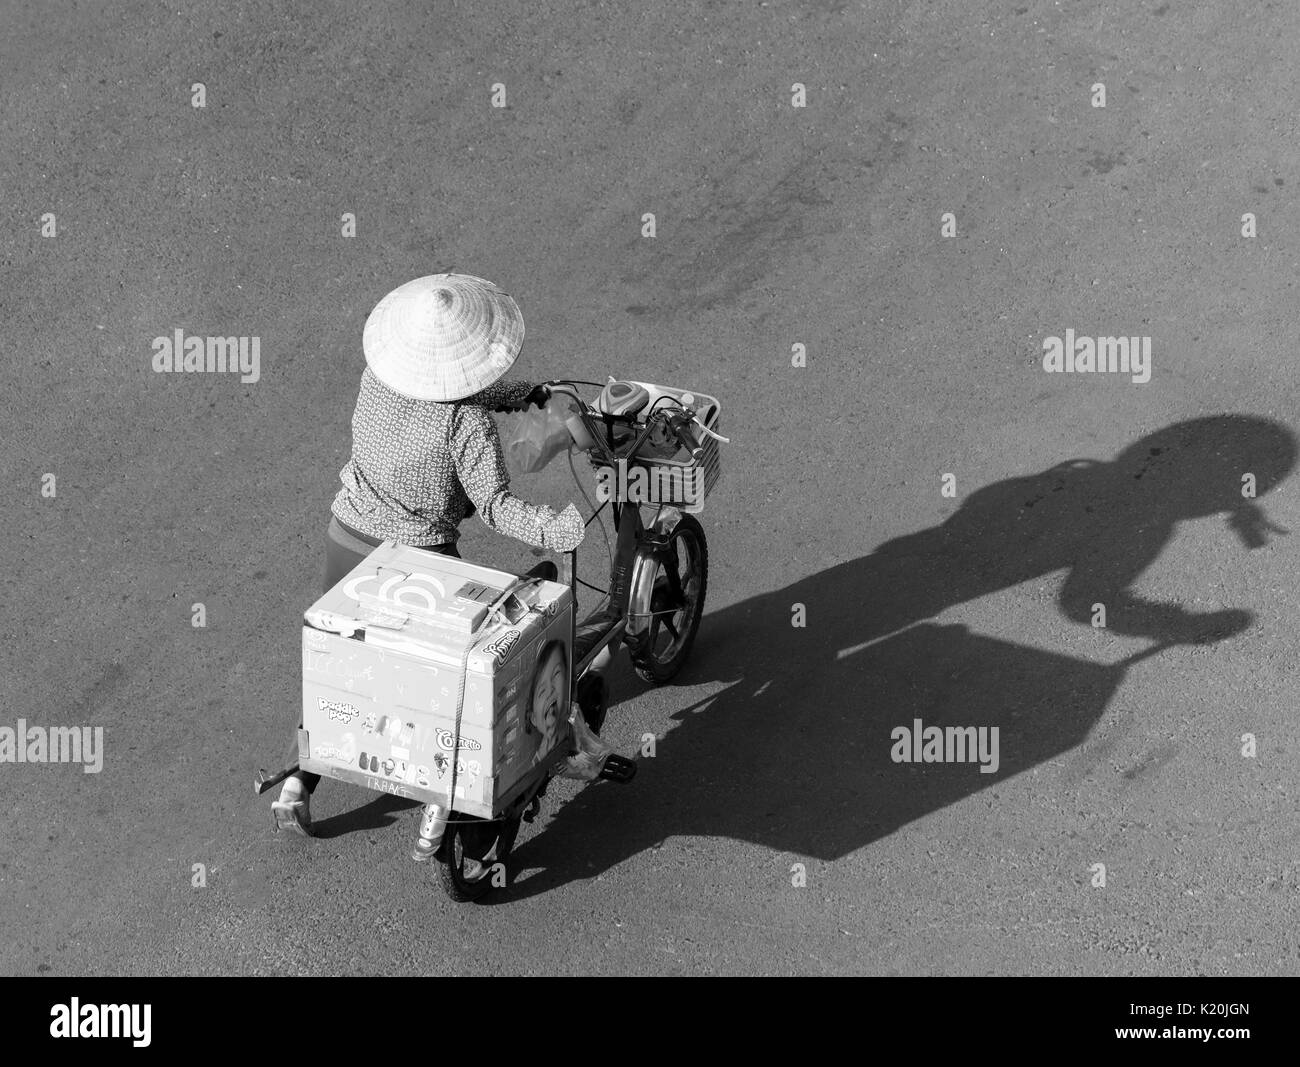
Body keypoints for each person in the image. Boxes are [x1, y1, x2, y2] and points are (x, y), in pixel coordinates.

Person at [273, 272, 587, 836]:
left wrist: (516, 395)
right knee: (440, 694)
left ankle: (298, 782)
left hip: (348, 539)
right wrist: (556, 525)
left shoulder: (378, 380)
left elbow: (439, 396)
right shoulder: (466, 424)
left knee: (338, 671)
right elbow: (494, 506)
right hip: (420, 565)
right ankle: (441, 803)